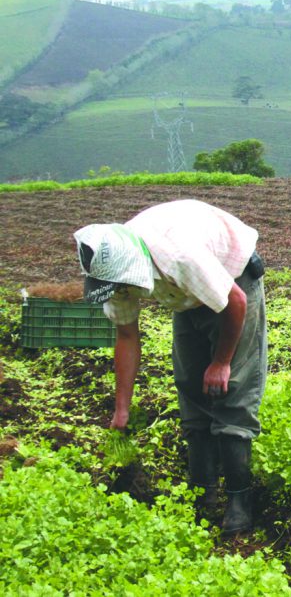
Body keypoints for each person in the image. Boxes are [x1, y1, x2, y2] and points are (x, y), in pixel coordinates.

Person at [74, 199, 266, 535]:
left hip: (234, 283)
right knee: (191, 385)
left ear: (130, 273)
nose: (119, 293)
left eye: (121, 288)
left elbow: (235, 302)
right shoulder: (114, 267)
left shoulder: (179, 256)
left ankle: (239, 499)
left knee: (231, 388)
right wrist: (122, 410)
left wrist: (221, 363)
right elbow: (126, 335)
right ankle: (201, 493)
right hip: (185, 297)